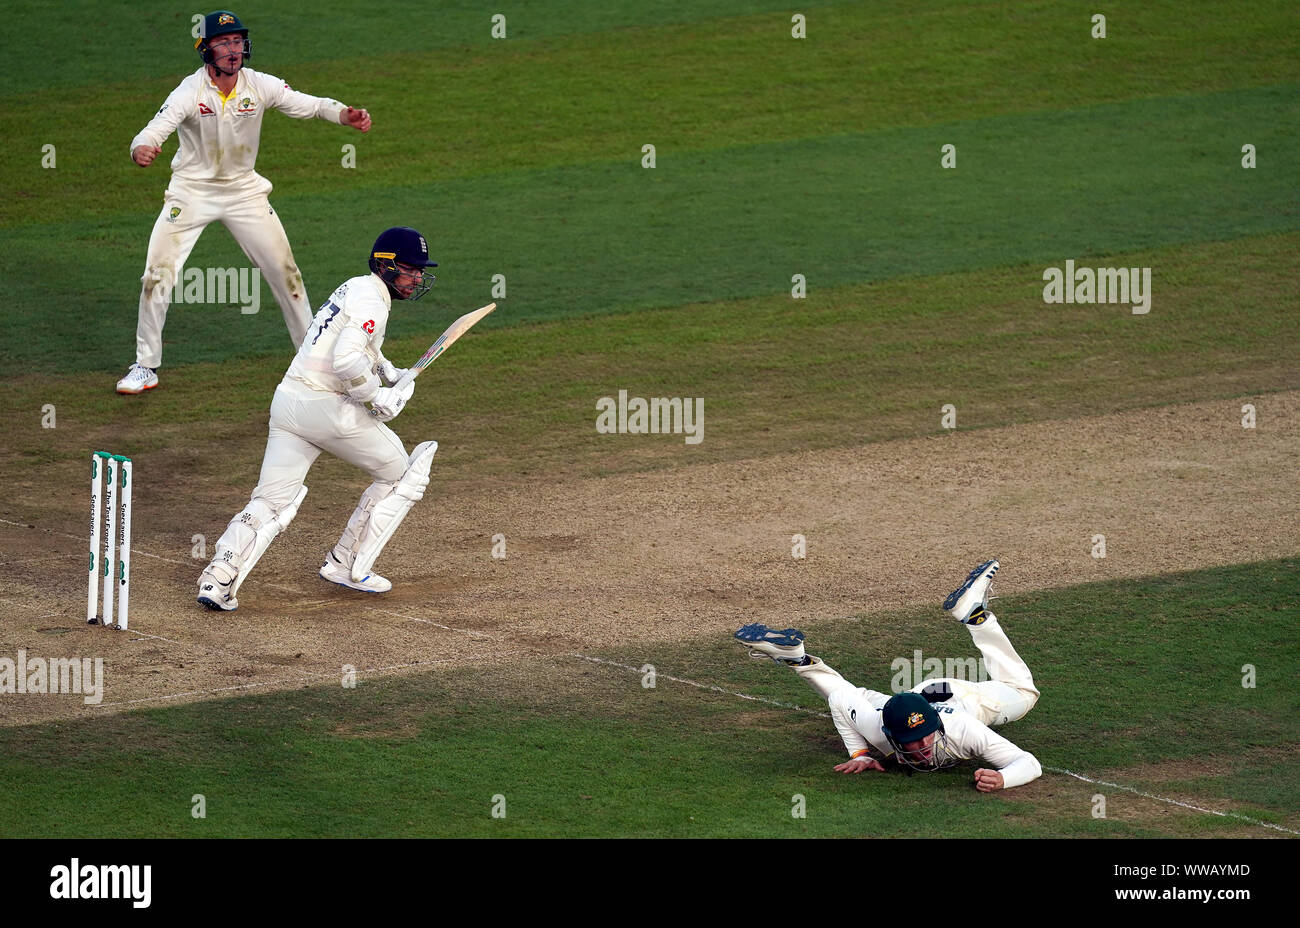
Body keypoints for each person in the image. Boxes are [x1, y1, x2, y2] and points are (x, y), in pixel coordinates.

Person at [117, 10, 373, 394]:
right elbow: (155, 129)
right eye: (223, 43)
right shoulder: (189, 91)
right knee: (156, 276)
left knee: (287, 274)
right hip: (191, 192)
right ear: (205, 49)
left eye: (237, 42)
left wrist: (343, 115)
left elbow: (309, 104)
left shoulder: (259, 85)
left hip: (244, 192)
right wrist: (142, 148)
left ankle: (313, 362)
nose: (233, 50)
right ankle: (145, 366)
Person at [196, 226, 438, 611]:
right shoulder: (375, 301)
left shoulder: (355, 287)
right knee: (402, 474)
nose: (418, 278)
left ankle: (217, 577)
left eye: (420, 271)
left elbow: (343, 344)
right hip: (327, 411)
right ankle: (346, 565)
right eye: (411, 269)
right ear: (386, 265)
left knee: (272, 500)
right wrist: (377, 400)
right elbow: (344, 360)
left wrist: (387, 371)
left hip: (289, 403)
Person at [734, 559, 1043, 791]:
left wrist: (1003, 778)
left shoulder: (964, 730)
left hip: (954, 696)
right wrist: (861, 753)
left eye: (924, 737)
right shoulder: (885, 733)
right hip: (911, 702)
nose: (921, 747)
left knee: (1023, 692)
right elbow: (841, 699)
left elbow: (1028, 763)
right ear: (893, 736)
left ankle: (976, 616)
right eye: (911, 742)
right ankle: (796, 658)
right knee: (858, 697)